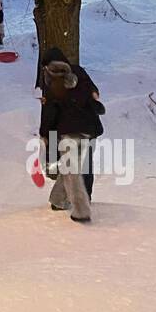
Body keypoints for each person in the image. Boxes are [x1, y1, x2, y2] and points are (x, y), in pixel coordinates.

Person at [37, 48, 104, 223]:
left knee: (72, 170)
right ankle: (61, 200)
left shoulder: (51, 81)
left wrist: (44, 133)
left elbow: (50, 112)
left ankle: (81, 210)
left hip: (68, 130)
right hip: (89, 127)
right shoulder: (78, 71)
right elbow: (94, 92)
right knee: (80, 165)